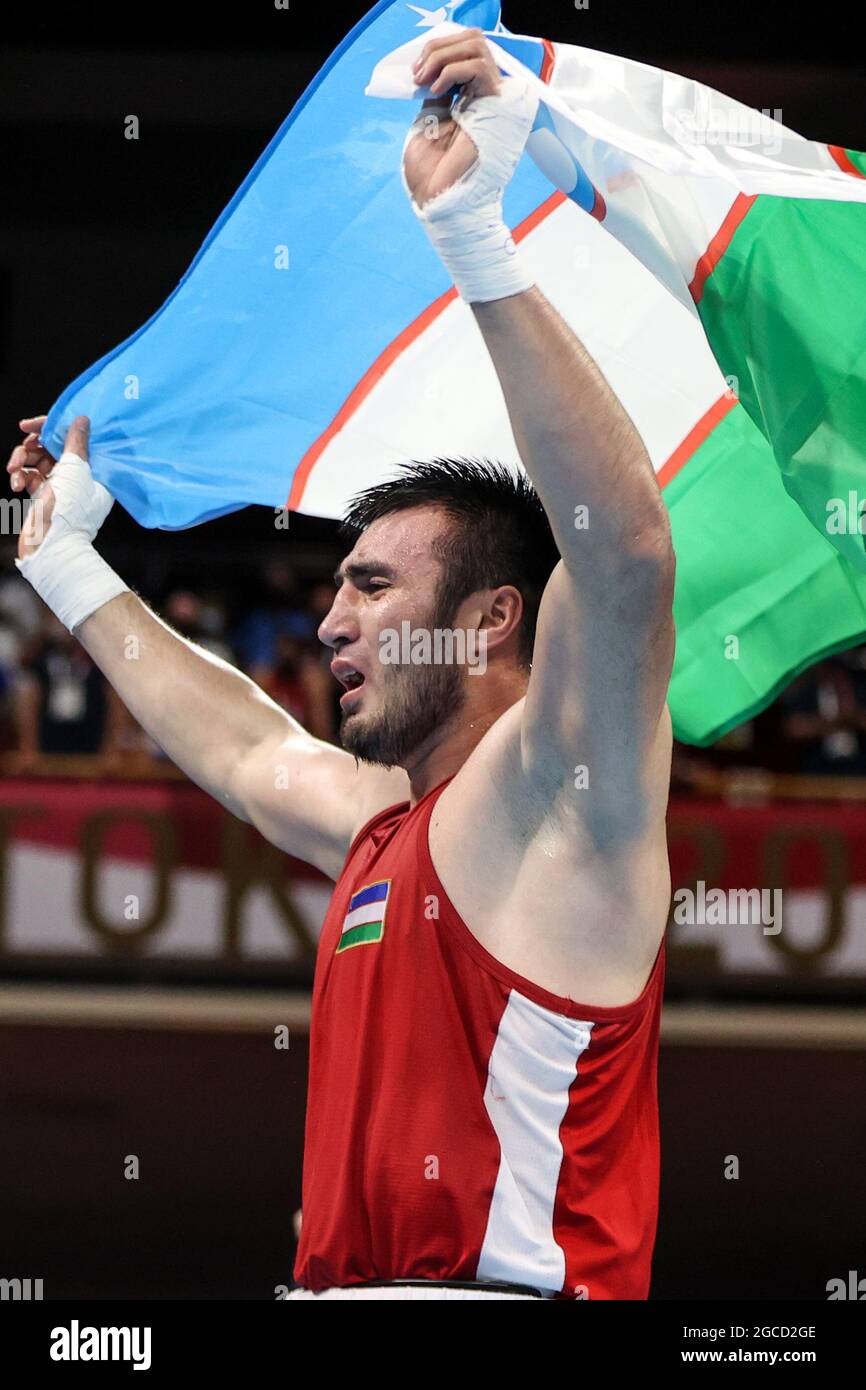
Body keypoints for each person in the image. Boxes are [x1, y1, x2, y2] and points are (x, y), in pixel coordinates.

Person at [6, 30, 675, 1300]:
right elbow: (249, 748)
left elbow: (627, 550)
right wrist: (72, 569)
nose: (329, 624)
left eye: (369, 587)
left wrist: (474, 238)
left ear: (489, 620)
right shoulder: (390, 827)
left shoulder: (565, 800)